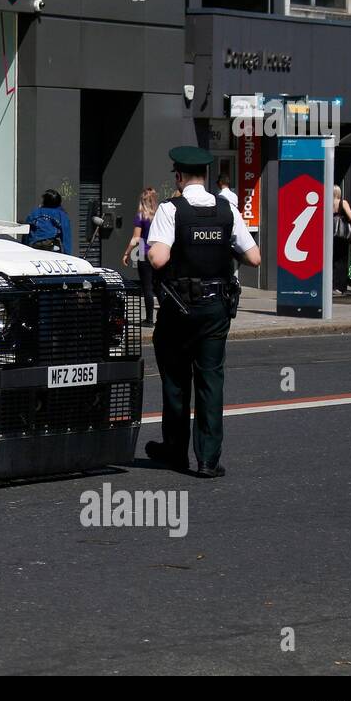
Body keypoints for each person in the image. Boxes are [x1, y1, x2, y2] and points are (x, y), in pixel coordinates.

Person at [146, 147, 261, 479]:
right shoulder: (227, 210)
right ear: (206, 176)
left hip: (179, 308)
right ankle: (208, 459)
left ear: (179, 177)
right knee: (211, 380)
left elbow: (158, 259)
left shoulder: (171, 209)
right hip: (215, 307)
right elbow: (253, 257)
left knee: (176, 380)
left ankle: (175, 450)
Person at [121, 187, 158, 326]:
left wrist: (127, 253)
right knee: (159, 287)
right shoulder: (159, 215)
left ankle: (149, 319)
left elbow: (136, 238)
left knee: (147, 287)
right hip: (158, 251)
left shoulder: (141, 216)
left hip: (143, 251)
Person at [24, 189, 73, 253]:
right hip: (51, 245)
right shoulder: (61, 214)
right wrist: (68, 254)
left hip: (34, 244)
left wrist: (25, 246)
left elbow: (26, 230)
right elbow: (66, 236)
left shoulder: (35, 212)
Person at [331, 185, 351, 294]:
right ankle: (341, 287)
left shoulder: (326, 202)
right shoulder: (342, 202)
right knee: (342, 260)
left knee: (332, 259)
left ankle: (332, 285)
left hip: (330, 234)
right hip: (342, 235)